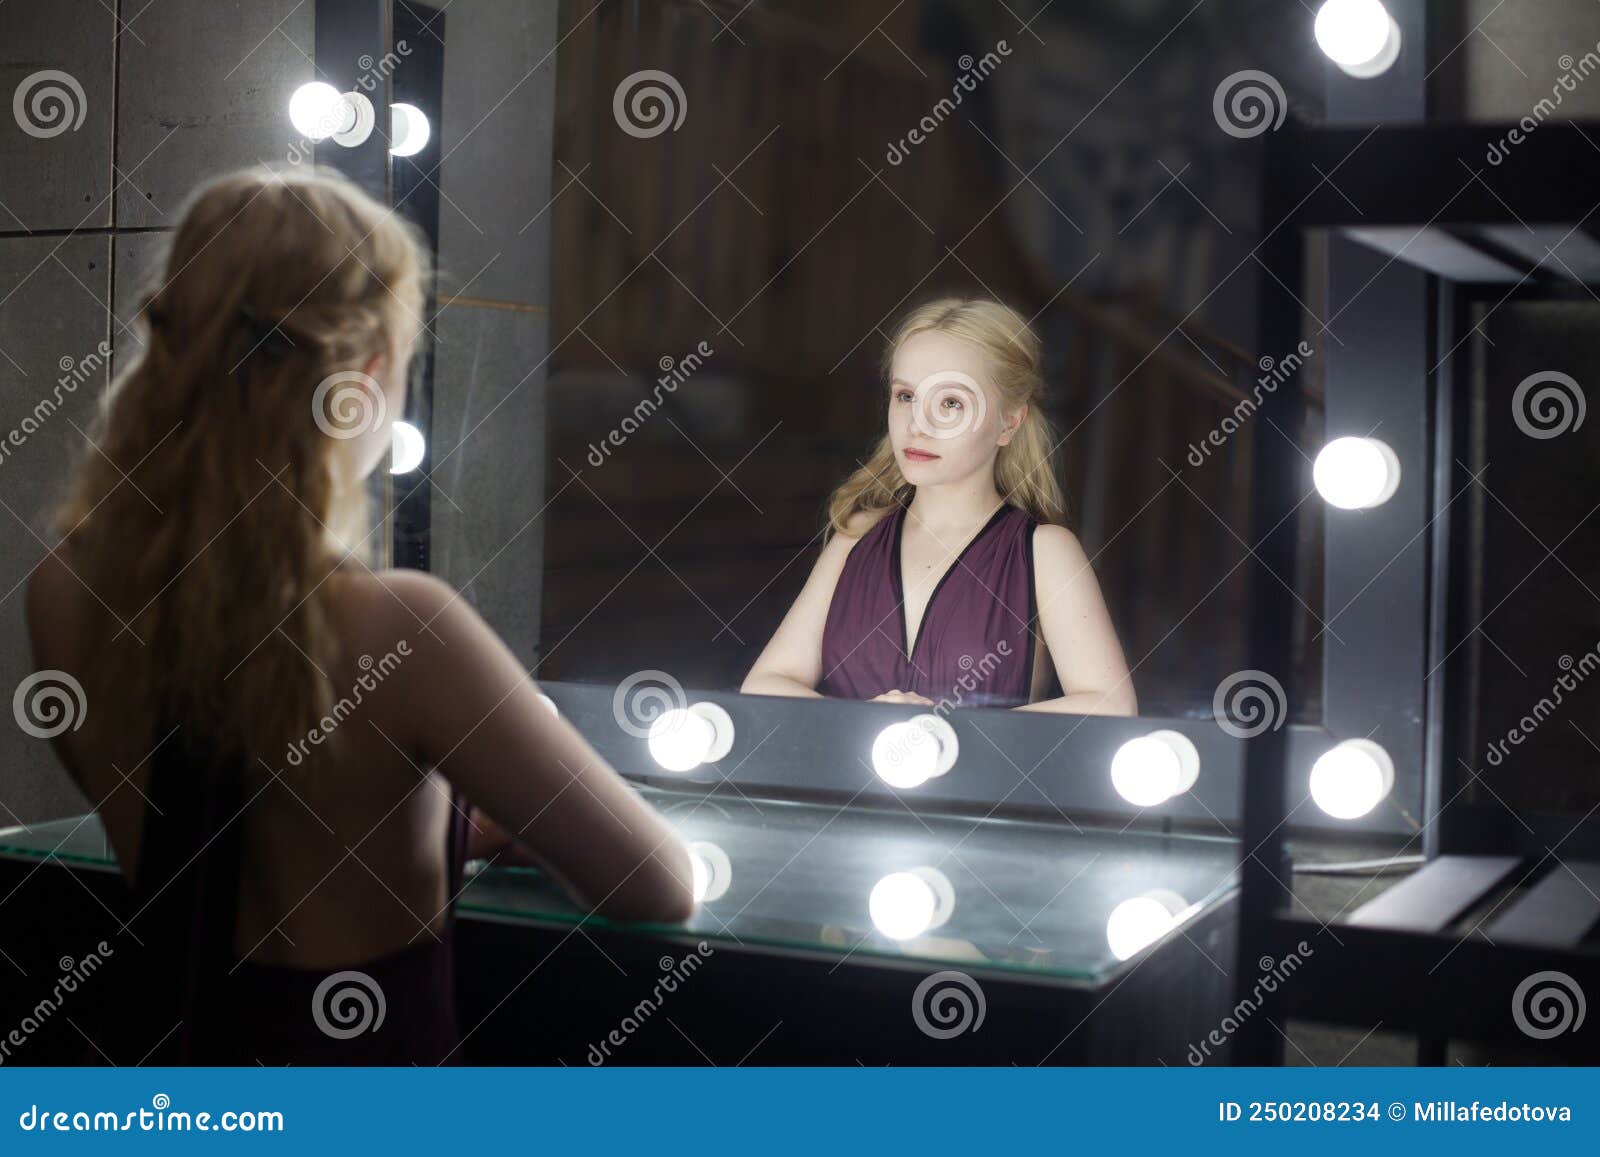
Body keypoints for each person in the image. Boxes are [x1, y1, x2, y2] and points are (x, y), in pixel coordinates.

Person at [24, 164, 695, 1065]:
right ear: (367, 375)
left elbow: (249, 829)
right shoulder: (401, 627)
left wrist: (444, 819)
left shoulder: (65, 591)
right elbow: (655, 884)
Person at [742, 297, 1136, 715]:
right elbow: (765, 683)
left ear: (1009, 423)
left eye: (951, 403)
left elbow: (1109, 703)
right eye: (906, 396)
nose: (918, 424)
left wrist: (943, 732)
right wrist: (867, 720)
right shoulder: (855, 538)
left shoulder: (1045, 551)